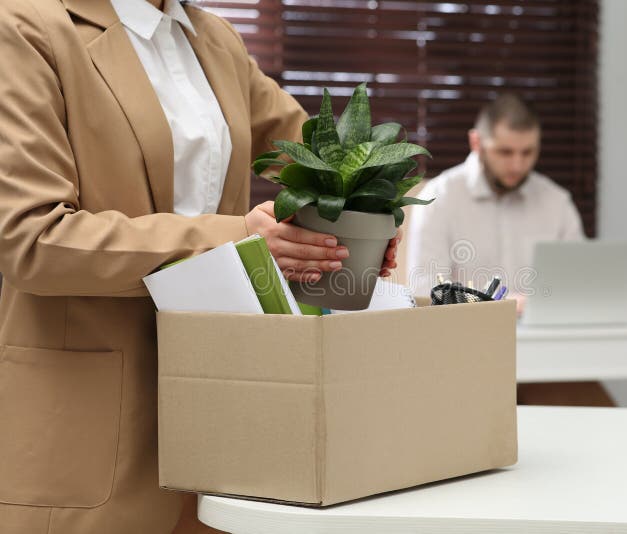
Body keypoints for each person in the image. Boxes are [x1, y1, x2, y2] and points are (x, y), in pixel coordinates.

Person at [0, 1, 399, 533]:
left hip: (220, 395)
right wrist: (235, 240)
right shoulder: (27, 25)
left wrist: (365, 217)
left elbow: (318, 157)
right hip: (86, 409)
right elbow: (31, 240)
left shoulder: (214, 39)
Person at [406, 93, 614, 408]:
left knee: (602, 418)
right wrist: (499, 303)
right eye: (505, 152)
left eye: (528, 152)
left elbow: (579, 289)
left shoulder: (555, 202)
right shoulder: (441, 198)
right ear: (476, 142)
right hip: (465, 357)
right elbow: (424, 292)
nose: (518, 164)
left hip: (547, 361)